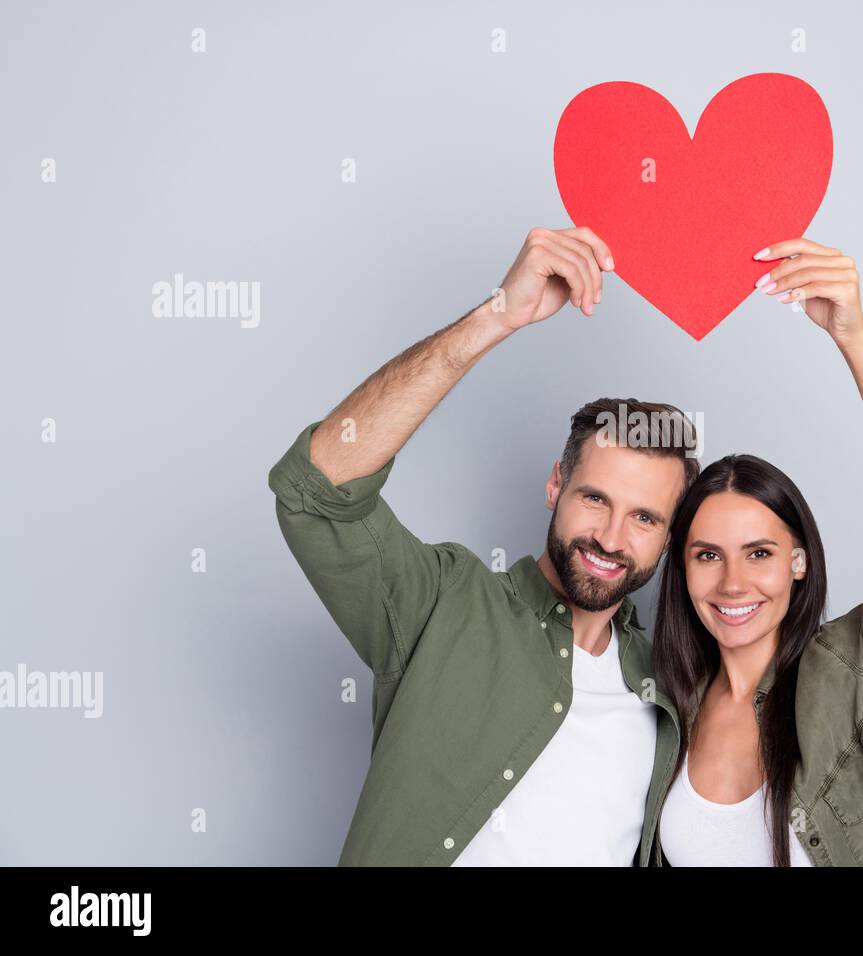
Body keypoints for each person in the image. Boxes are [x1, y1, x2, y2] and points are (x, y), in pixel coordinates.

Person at [267, 226, 698, 865]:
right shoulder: (445, 602)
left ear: (669, 536)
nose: (610, 538)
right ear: (556, 484)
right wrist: (499, 316)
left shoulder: (671, 689)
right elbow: (318, 487)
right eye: (595, 499)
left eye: (644, 518)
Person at [649, 236, 863, 866]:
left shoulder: (855, 669)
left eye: (761, 553)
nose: (733, 583)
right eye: (708, 555)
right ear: (682, 568)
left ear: (799, 562)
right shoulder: (663, 702)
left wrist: (854, 340)